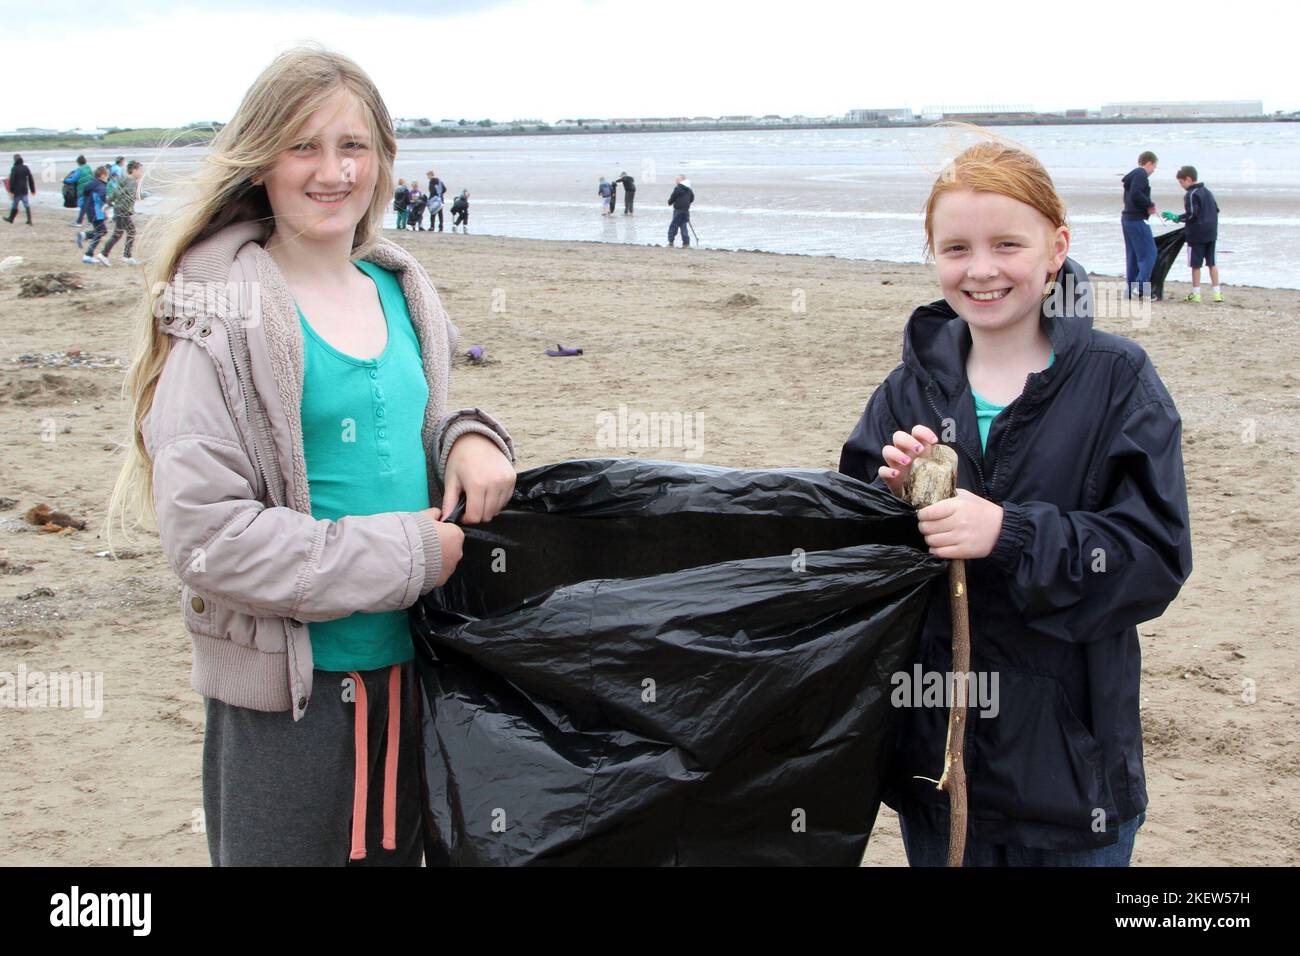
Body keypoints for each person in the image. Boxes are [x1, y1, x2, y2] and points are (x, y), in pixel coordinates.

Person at [107, 47, 516, 867]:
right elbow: (208, 540)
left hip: (423, 677)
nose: (332, 171)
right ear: (261, 160)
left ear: (383, 159)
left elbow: (417, 419)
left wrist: (469, 435)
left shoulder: (404, 287)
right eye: (304, 146)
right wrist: (406, 554)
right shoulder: (222, 316)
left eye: (353, 146)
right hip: (289, 703)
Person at [838, 139, 1192, 867]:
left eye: (1007, 244)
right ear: (933, 254)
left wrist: (1007, 532)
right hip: (938, 765)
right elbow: (856, 558)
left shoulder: (1117, 380)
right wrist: (892, 501)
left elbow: (1153, 560)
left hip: (1072, 778)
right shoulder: (907, 391)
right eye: (957, 247)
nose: (982, 269)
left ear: (1055, 247)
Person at [1162, 166, 1221, 303]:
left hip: (1196, 235)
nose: (1182, 186)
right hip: (1211, 233)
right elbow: (1216, 210)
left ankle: (1196, 293)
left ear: (1188, 179)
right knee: (1212, 263)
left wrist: (1177, 218)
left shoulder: (1191, 194)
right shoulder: (1207, 192)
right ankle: (1217, 293)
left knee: (1195, 265)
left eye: (1181, 182)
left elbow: (1192, 215)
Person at [1121, 150, 1159, 299]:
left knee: (1133, 256)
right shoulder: (1140, 174)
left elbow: (1132, 196)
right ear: (1149, 163)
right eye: (1154, 167)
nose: (1153, 171)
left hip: (1127, 219)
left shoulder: (1132, 176)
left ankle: (1130, 290)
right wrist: (1149, 204)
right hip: (1136, 220)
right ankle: (1141, 288)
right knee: (1149, 253)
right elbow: (1136, 193)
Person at [102, 160, 145, 264]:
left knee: (126, 232)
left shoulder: (123, 179)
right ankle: (104, 254)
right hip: (123, 211)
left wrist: (108, 203)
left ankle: (126, 256)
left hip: (119, 209)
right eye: (140, 170)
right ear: (133, 170)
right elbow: (134, 196)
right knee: (121, 233)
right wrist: (144, 193)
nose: (141, 172)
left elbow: (115, 193)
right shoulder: (132, 182)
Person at [77, 166, 111, 266]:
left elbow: (85, 194)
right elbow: (102, 198)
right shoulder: (101, 186)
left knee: (101, 231)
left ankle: (84, 235)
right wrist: (107, 208)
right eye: (106, 175)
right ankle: (88, 255)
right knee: (101, 232)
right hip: (96, 212)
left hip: (90, 211)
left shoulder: (91, 184)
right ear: (102, 176)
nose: (107, 178)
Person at [4, 154, 36, 225]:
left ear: (15, 160)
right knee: (26, 204)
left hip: (17, 190)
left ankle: (11, 219)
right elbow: (30, 179)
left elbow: (12, 181)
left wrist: (11, 191)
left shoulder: (14, 168)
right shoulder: (25, 168)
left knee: (15, 204)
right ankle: (29, 220)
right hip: (24, 189)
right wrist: (32, 190)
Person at [666, 174, 694, 247]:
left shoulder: (678, 188)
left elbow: (673, 197)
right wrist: (687, 203)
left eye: (677, 179)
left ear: (682, 180)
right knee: (683, 226)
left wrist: (669, 202)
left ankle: (670, 242)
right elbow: (692, 198)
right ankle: (686, 243)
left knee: (674, 225)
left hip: (678, 210)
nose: (676, 181)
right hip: (685, 210)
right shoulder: (689, 189)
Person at [66, 155, 93, 224]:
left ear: (78, 162)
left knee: (82, 205)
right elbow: (93, 177)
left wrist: (65, 180)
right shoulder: (89, 168)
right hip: (90, 188)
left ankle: (79, 221)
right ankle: (89, 220)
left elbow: (73, 180)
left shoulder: (79, 170)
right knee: (87, 205)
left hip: (82, 189)